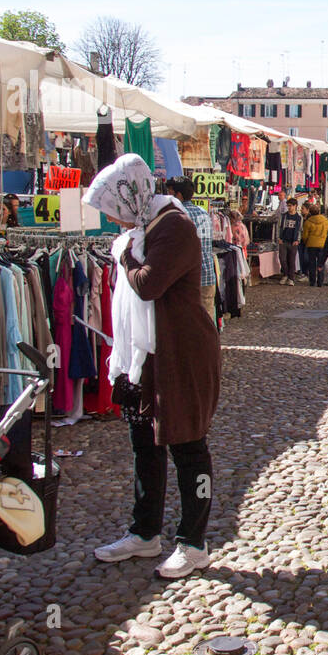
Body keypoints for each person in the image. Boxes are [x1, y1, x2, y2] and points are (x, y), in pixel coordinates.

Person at [87, 155, 221, 579]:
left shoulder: (172, 227)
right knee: (144, 444)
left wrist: (126, 256)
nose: (110, 220)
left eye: (112, 208)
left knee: (187, 445)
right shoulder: (145, 229)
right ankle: (144, 533)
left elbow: (148, 284)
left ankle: (194, 542)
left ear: (131, 197)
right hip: (145, 356)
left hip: (181, 353)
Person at [167, 177, 217, 321]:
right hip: (207, 274)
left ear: (179, 195)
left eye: (170, 193)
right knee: (206, 321)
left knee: (185, 324)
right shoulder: (203, 213)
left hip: (186, 279)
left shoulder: (177, 215)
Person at [301, 203, 328, 287]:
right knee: (321, 263)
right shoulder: (325, 220)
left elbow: (305, 235)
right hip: (322, 244)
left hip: (311, 244)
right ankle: (320, 281)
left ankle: (312, 281)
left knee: (312, 263)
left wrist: (306, 241)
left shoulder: (308, 222)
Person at [277, 197, 303, 284]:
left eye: (290, 206)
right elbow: (279, 227)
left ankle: (291, 278)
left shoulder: (299, 218)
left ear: (295, 206)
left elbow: (300, 229)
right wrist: (279, 238)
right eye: (288, 206)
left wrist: (298, 240)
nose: (289, 208)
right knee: (282, 259)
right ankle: (285, 274)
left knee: (292, 260)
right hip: (283, 240)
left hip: (293, 241)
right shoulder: (284, 216)